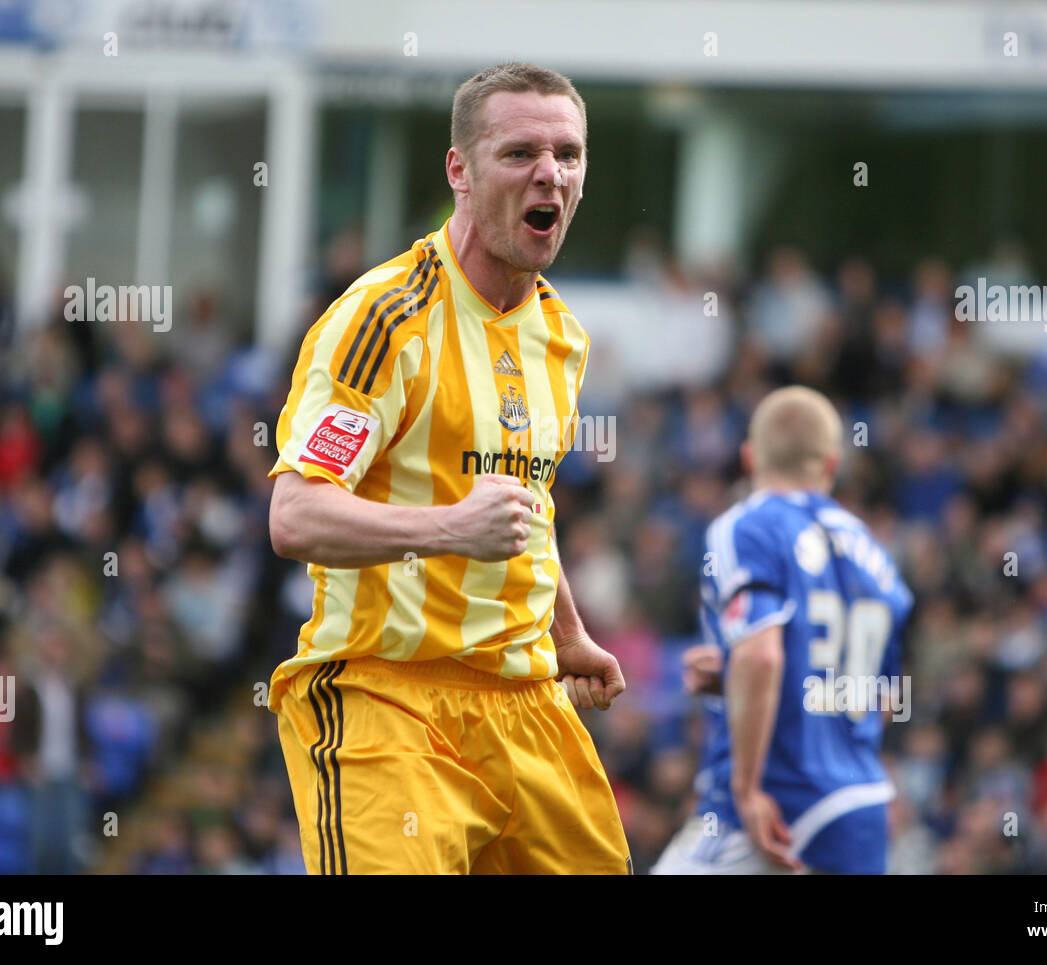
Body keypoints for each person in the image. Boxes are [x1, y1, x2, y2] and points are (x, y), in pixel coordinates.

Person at [265, 63, 631, 874]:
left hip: (527, 700)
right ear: (459, 171)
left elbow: (523, 501)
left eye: (568, 154)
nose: (550, 173)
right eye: (521, 153)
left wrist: (568, 632)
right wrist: (448, 527)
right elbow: (294, 516)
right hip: (386, 693)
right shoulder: (387, 317)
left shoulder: (562, 336)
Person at [652, 386, 913, 874]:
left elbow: (762, 656)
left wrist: (746, 790)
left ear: (749, 457)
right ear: (832, 464)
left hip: (775, 802)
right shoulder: (876, 555)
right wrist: (736, 672)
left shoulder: (747, 526)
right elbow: (885, 699)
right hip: (860, 805)